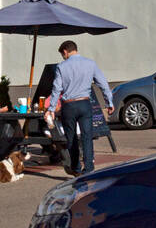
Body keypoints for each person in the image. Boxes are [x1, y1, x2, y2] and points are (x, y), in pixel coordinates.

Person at [49, 40, 114, 177]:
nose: (63, 57)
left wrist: (51, 108)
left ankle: (76, 168)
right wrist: (109, 103)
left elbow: (56, 89)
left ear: (65, 51)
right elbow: (102, 83)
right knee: (87, 137)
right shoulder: (90, 64)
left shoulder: (62, 66)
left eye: (63, 55)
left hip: (69, 105)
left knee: (71, 137)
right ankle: (89, 168)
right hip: (85, 103)